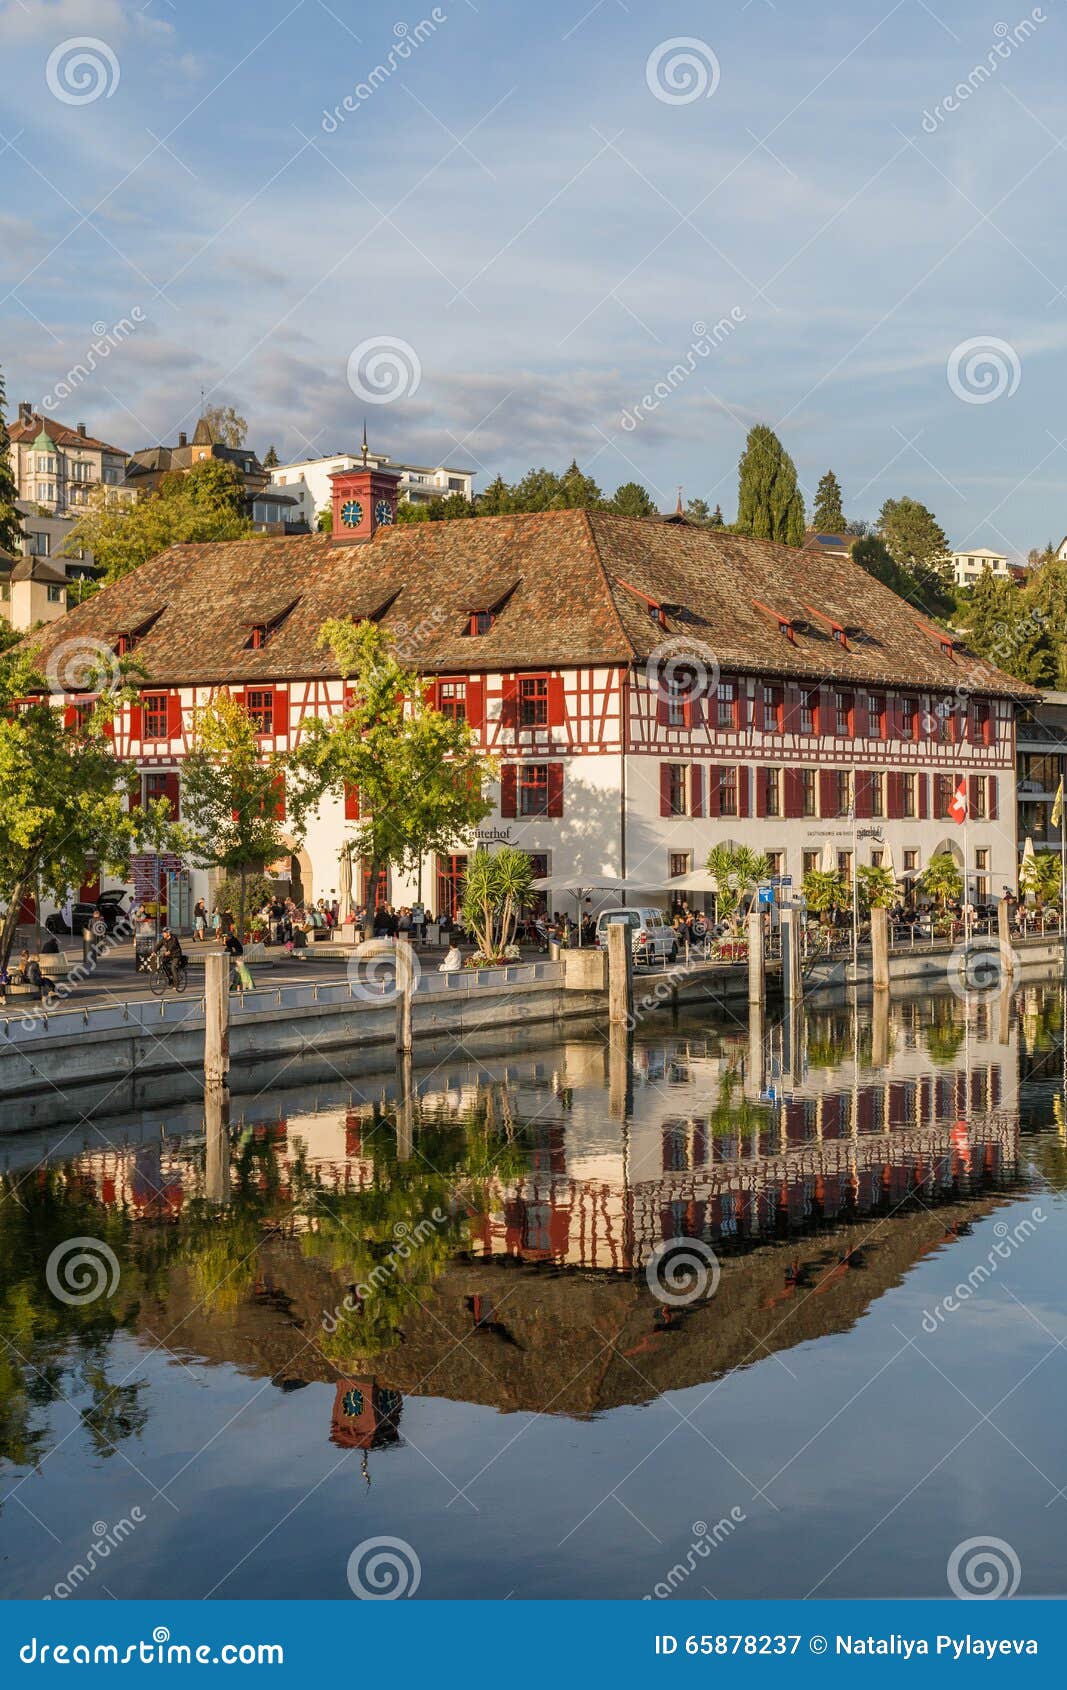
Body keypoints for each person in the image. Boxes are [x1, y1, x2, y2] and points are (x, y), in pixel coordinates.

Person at [224, 926, 255, 990]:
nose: (227, 937)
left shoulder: (233, 939)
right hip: (237, 951)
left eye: (228, 936)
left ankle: (225, 957)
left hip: (238, 952)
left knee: (227, 950)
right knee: (227, 949)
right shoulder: (232, 939)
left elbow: (228, 945)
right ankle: (226, 956)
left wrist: (226, 941)